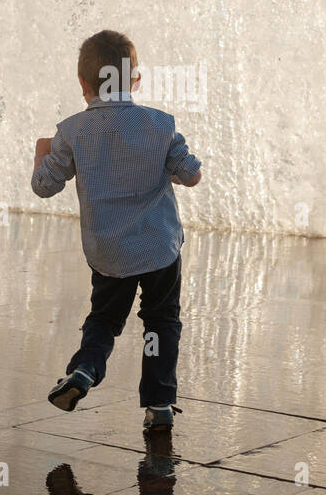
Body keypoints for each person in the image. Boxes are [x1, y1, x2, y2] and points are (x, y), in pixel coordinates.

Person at [31, 29, 202, 431]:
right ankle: (159, 403)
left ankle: (85, 371)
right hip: (159, 248)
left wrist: (42, 150)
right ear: (135, 80)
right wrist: (169, 166)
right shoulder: (159, 125)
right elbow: (191, 175)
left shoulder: (73, 132)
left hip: (109, 252)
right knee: (161, 322)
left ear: (83, 85)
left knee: (105, 320)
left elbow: (44, 186)